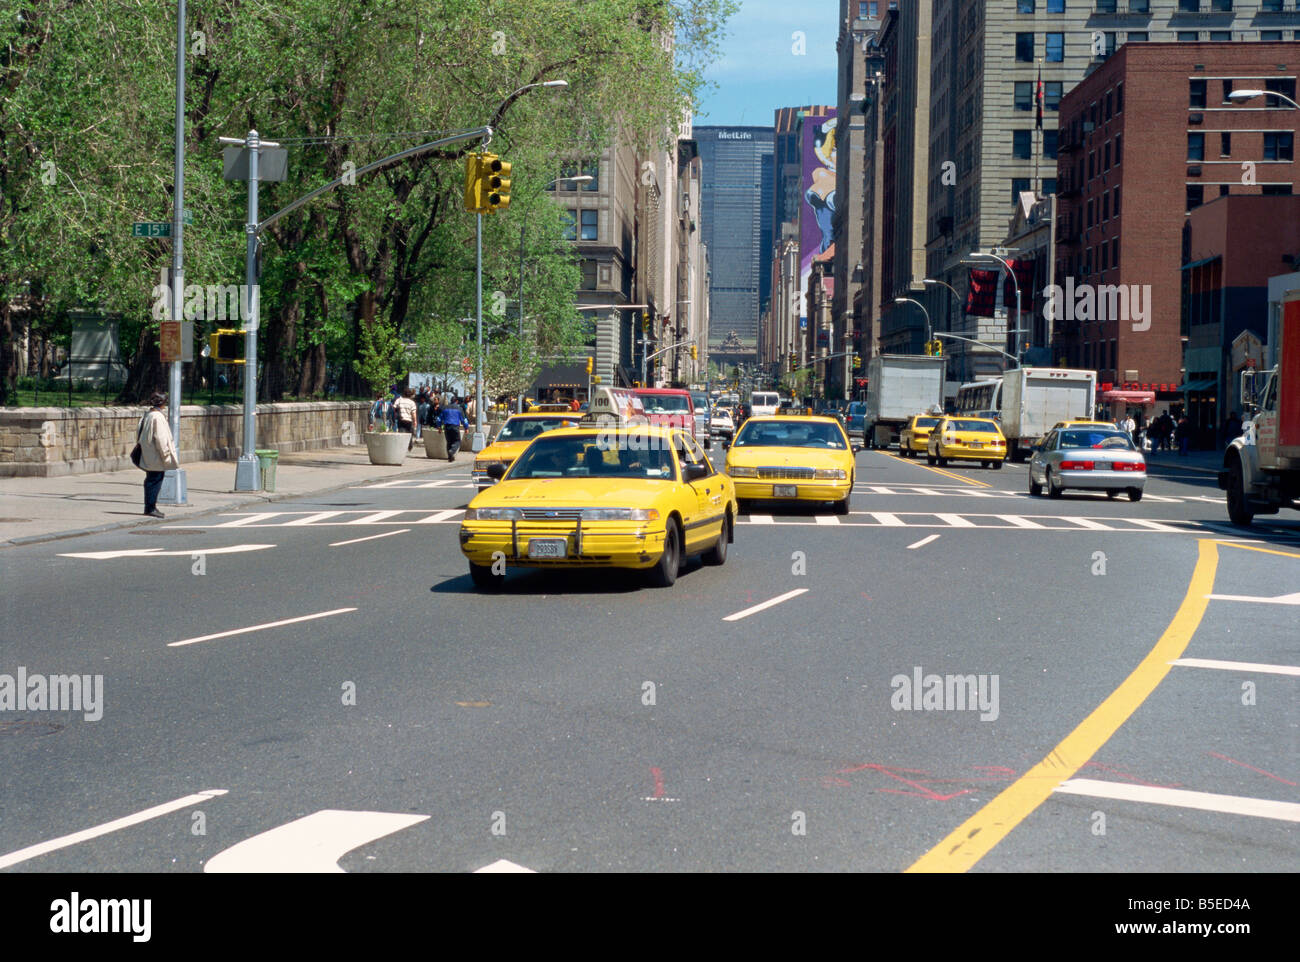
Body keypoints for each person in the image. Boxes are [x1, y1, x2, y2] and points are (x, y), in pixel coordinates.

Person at [136, 391, 179, 519]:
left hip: (149, 453)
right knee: (155, 480)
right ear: (163, 404)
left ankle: (149, 507)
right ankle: (150, 507)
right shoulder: (158, 417)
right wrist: (165, 454)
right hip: (156, 454)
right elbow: (160, 438)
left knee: (151, 479)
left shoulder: (148, 415)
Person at [441, 396, 468, 461]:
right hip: (455, 426)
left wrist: (439, 426)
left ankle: (450, 457)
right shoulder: (459, 409)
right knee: (457, 441)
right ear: (456, 401)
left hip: (447, 426)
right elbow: (464, 419)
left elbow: (440, 418)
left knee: (449, 442)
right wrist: (466, 427)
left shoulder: (445, 408)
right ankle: (452, 451)